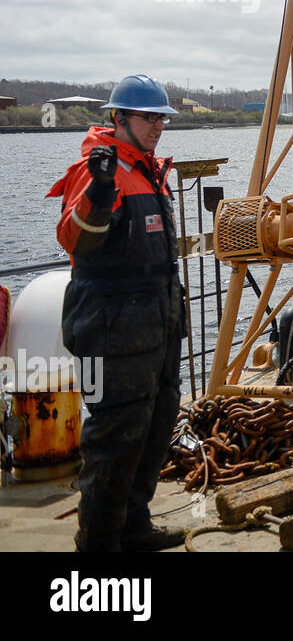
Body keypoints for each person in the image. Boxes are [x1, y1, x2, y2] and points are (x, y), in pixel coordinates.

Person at [47, 74, 185, 551]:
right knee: (113, 438)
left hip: (155, 327)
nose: (157, 126)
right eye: (149, 117)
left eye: (162, 118)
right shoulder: (97, 171)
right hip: (109, 329)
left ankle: (134, 525)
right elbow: (76, 238)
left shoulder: (148, 169)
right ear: (119, 118)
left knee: (154, 424)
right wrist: (102, 189)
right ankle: (100, 543)